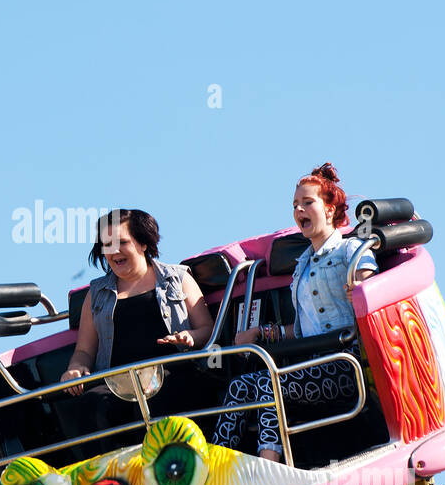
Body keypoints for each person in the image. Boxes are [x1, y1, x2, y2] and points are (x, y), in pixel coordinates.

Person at [212, 163, 378, 461]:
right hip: (311, 364)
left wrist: (363, 292)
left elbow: (373, 290)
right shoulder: (302, 264)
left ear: (329, 209)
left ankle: (269, 465)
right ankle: (216, 468)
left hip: (344, 366)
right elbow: (301, 329)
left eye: (308, 202)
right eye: (295, 205)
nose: (299, 209)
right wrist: (262, 333)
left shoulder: (351, 250)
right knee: (238, 387)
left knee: (268, 383)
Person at [60, 209, 213, 427]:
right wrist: (75, 368)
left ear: (143, 243)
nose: (114, 251)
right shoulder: (95, 295)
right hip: (118, 385)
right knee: (92, 404)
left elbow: (207, 328)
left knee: (162, 398)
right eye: (107, 245)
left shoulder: (178, 278)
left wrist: (190, 337)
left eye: (122, 242)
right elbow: (84, 351)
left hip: (172, 374)